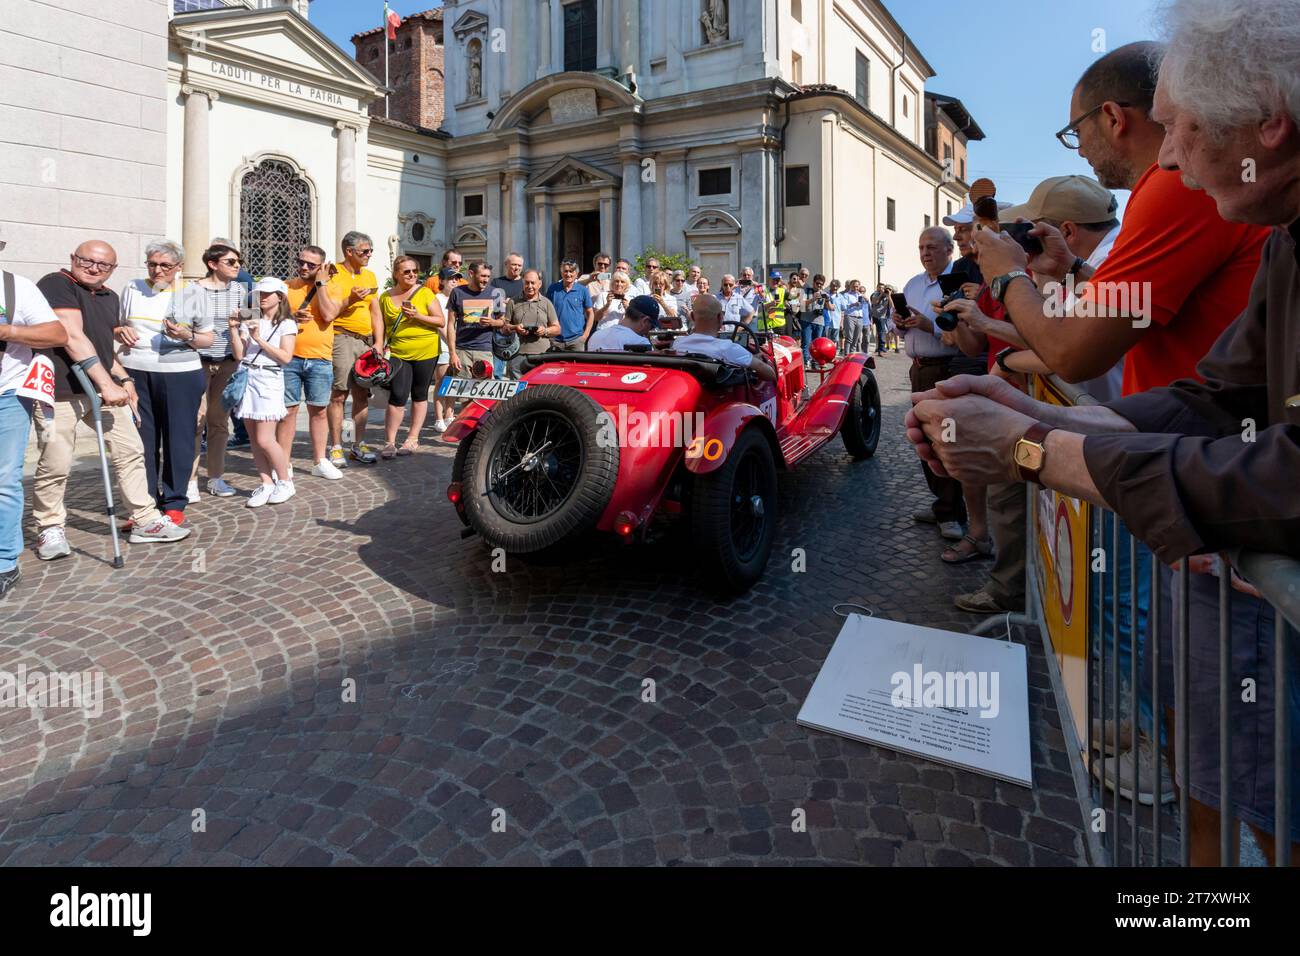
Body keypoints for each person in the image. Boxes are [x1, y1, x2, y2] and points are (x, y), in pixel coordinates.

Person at [910, 0, 1300, 865]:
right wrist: (1040, 414)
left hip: (1236, 549)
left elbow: (1082, 342)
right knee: (1236, 771)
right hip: (1210, 528)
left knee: (1266, 788)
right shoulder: (1277, 238)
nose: (1172, 162)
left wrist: (1029, 445)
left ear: (1268, 125)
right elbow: (1215, 395)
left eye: (1186, 132)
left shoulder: (1192, 199)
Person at [34, 240, 190, 554]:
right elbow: (72, 337)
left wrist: (124, 378)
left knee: (130, 449)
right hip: (59, 392)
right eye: (87, 261)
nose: (94, 268)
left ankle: (145, 518)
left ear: (112, 269)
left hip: (104, 388)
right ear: (73, 258)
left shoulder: (109, 296)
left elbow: (103, 349)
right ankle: (50, 528)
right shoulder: (56, 284)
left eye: (103, 265)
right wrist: (107, 384)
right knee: (56, 461)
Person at [115, 240, 211, 521]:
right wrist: (120, 331)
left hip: (180, 374)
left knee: (177, 439)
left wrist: (186, 336)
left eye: (165, 266)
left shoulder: (193, 293)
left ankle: (174, 503)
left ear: (179, 268)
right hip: (136, 371)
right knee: (141, 440)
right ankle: (143, 505)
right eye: (153, 264)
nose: (158, 270)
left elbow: (208, 339)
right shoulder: (132, 287)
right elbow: (119, 324)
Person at [0, 254, 69, 598]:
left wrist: (9, 331)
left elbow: (57, 332)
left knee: (4, 480)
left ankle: (4, 563)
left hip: (7, 396)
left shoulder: (16, 287)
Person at [899, 227, 967, 541]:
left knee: (947, 441)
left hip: (947, 368)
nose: (926, 253)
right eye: (921, 247)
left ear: (949, 251)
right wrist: (899, 323)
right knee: (925, 441)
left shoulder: (957, 284)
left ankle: (953, 512)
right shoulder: (913, 284)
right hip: (918, 370)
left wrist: (930, 327)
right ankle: (943, 503)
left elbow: (964, 336)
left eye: (932, 247)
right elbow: (896, 327)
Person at [177, 242, 249, 499]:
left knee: (219, 423)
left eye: (238, 261)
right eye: (231, 262)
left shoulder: (242, 289)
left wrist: (242, 327)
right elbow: (181, 328)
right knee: (197, 422)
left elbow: (251, 323)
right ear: (212, 264)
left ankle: (216, 478)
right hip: (198, 362)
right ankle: (190, 480)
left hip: (229, 362)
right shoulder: (192, 290)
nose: (237, 266)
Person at [228, 278, 296, 507]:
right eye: (260, 293)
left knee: (265, 439)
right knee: (254, 441)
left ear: (280, 296)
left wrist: (258, 339)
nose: (262, 297)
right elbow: (239, 354)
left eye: (268, 293)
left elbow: (286, 357)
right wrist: (234, 329)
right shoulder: (250, 316)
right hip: (247, 376)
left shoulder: (286, 323)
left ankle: (285, 481)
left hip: (268, 379)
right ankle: (266, 483)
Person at [280, 245, 343, 481]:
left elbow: (328, 315)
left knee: (318, 410)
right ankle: (283, 462)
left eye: (311, 265)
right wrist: (291, 317)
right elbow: (269, 317)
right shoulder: (286, 287)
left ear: (321, 267)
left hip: (320, 358)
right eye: (301, 262)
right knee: (288, 411)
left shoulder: (331, 287)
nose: (304, 267)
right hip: (290, 357)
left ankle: (319, 460)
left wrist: (321, 284)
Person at [374, 256, 446, 457]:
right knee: (398, 395)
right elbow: (380, 323)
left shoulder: (425, 294)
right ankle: (389, 442)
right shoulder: (386, 297)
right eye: (407, 271)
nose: (412, 274)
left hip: (426, 351)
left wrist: (418, 316)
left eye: (415, 271)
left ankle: (412, 438)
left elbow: (440, 321)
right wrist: (379, 343)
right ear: (396, 274)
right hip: (398, 352)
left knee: (419, 394)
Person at [326, 231, 382, 467]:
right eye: (364, 251)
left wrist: (379, 341)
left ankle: (358, 444)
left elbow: (375, 312)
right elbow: (327, 309)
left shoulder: (369, 276)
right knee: (339, 393)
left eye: (370, 251)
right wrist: (349, 298)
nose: (369, 255)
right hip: (342, 337)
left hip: (367, 341)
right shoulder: (332, 274)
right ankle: (336, 446)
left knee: (362, 394)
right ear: (349, 252)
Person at [671, 296, 777, 383]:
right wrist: (756, 359)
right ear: (720, 317)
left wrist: (751, 357)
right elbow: (770, 374)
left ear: (693, 317)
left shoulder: (678, 343)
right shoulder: (727, 348)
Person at [446, 261, 508, 378]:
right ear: (471, 274)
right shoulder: (457, 292)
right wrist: (452, 353)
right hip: (462, 350)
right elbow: (450, 324)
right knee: (461, 394)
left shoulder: (496, 293)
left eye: (488, 276)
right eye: (483, 276)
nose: (486, 280)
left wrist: (492, 322)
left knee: (482, 393)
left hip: (484, 350)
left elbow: (503, 321)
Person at [504, 269, 560, 377]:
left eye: (533, 283)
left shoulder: (547, 303)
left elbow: (557, 329)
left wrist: (545, 330)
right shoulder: (512, 302)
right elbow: (504, 328)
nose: (529, 286)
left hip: (542, 355)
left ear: (539, 284)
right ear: (522, 283)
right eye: (527, 282)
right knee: (518, 390)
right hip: (517, 355)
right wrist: (515, 327)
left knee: (539, 389)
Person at [432, 271, 464, 431]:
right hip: (443, 346)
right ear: (442, 281)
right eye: (451, 279)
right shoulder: (437, 298)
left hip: (457, 346)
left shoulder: (457, 297)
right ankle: (438, 418)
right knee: (441, 382)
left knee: (453, 382)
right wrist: (452, 343)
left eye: (456, 279)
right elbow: (440, 325)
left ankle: (449, 414)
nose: (454, 282)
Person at [546, 259, 595, 351]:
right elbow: (545, 311)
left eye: (571, 271)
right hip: (555, 340)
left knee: (577, 365)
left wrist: (585, 335)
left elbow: (590, 313)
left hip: (576, 341)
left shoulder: (583, 290)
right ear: (561, 272)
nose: (568, 274)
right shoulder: (553, 289)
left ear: (576, 274)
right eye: (565, 271)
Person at [588, 294, 662, 351]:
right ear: (644, 321)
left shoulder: (596, 336)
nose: (649, 330)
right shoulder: (641, 343)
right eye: (651, 326)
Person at [840, 279, 866, 354]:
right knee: (849, 337)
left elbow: (868, 302)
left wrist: (863, 296)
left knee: (856, 338)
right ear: (850, 286)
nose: (855, 288)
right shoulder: (846, 295)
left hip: (860, 318)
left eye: (857, 286)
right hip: (850, 316)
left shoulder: (860, 295)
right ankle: (846, 354)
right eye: (854, 286)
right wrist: (854, 304)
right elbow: (844, 306)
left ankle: (852, 353)